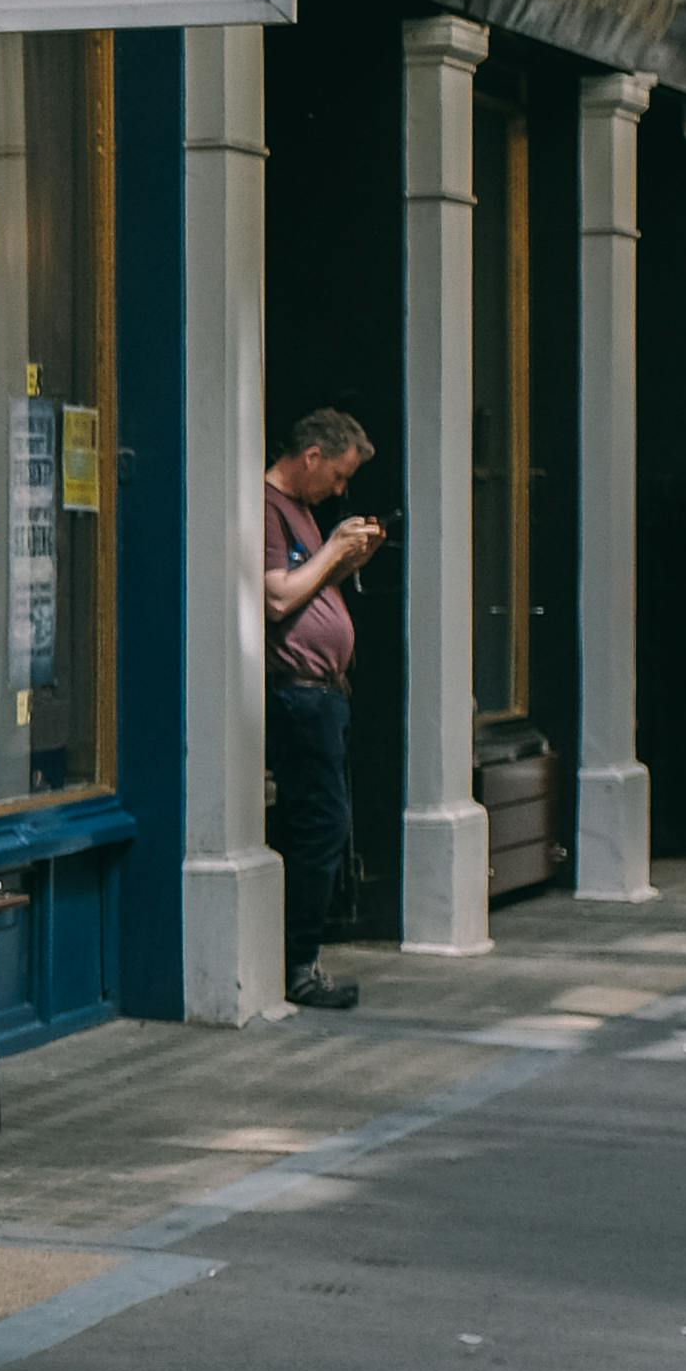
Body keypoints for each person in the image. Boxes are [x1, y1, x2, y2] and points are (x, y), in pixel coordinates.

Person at [261, 407, 389, 1010]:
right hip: (299, 695)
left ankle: (298, 955)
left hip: (326, 695)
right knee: (322, 824)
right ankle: (297, 963)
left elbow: (312, 584)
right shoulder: (268, 508)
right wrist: (334, 545)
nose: (340, 490)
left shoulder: (304, 517)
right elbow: (279, 596)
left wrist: (347, 558)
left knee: (321, 822)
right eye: (337, 476)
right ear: (311, 456)